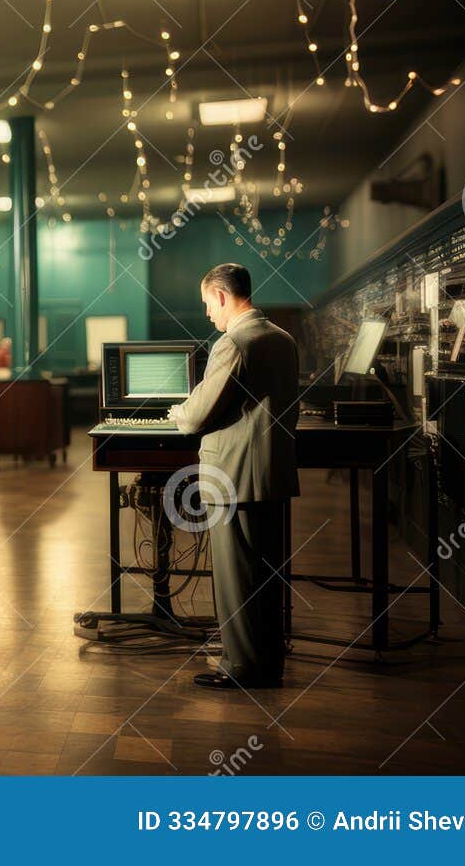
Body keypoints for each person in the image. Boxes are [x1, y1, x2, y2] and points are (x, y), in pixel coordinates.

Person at [167, 263, 299, 690]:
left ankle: (241, 667)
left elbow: (198, 415)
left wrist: (177, 413)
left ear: (223, 297)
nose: (208, 313)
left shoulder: (234, 343)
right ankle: (268, 662)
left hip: (234, 476)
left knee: (235, 579)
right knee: (266, 576)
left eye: (208, 304)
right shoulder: (283, 339)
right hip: (271, 473)